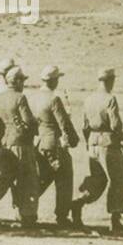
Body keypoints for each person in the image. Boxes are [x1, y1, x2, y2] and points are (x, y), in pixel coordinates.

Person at [0, 66, 39, 226]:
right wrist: (36, 124)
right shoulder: (20, 98)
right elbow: (28, 121)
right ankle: (27, 215)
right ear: (18, 81)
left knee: (6, 178)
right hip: (22, 143)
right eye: (22, 80)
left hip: (5, 143)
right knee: (27, 180)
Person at [73, 67, 123, 233]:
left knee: (98, 181)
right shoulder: (110, 99)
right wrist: (122, 137)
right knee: (117, 182)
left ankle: (78, 204)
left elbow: (84, 126)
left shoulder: (89, 99)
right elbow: (115, 125)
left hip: (93, 143)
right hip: (108, 143)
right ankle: (115, 219)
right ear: (111, 80)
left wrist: (90, 143)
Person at [32, 65, 81, 228]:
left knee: (42, 179)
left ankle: (25, 208)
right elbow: (64, 124)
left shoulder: (34, 97)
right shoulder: (54, 99)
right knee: (65, 179)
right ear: (53, 80)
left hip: (40, 144)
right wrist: (73, 139)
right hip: (55, 144)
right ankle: (62, 215)